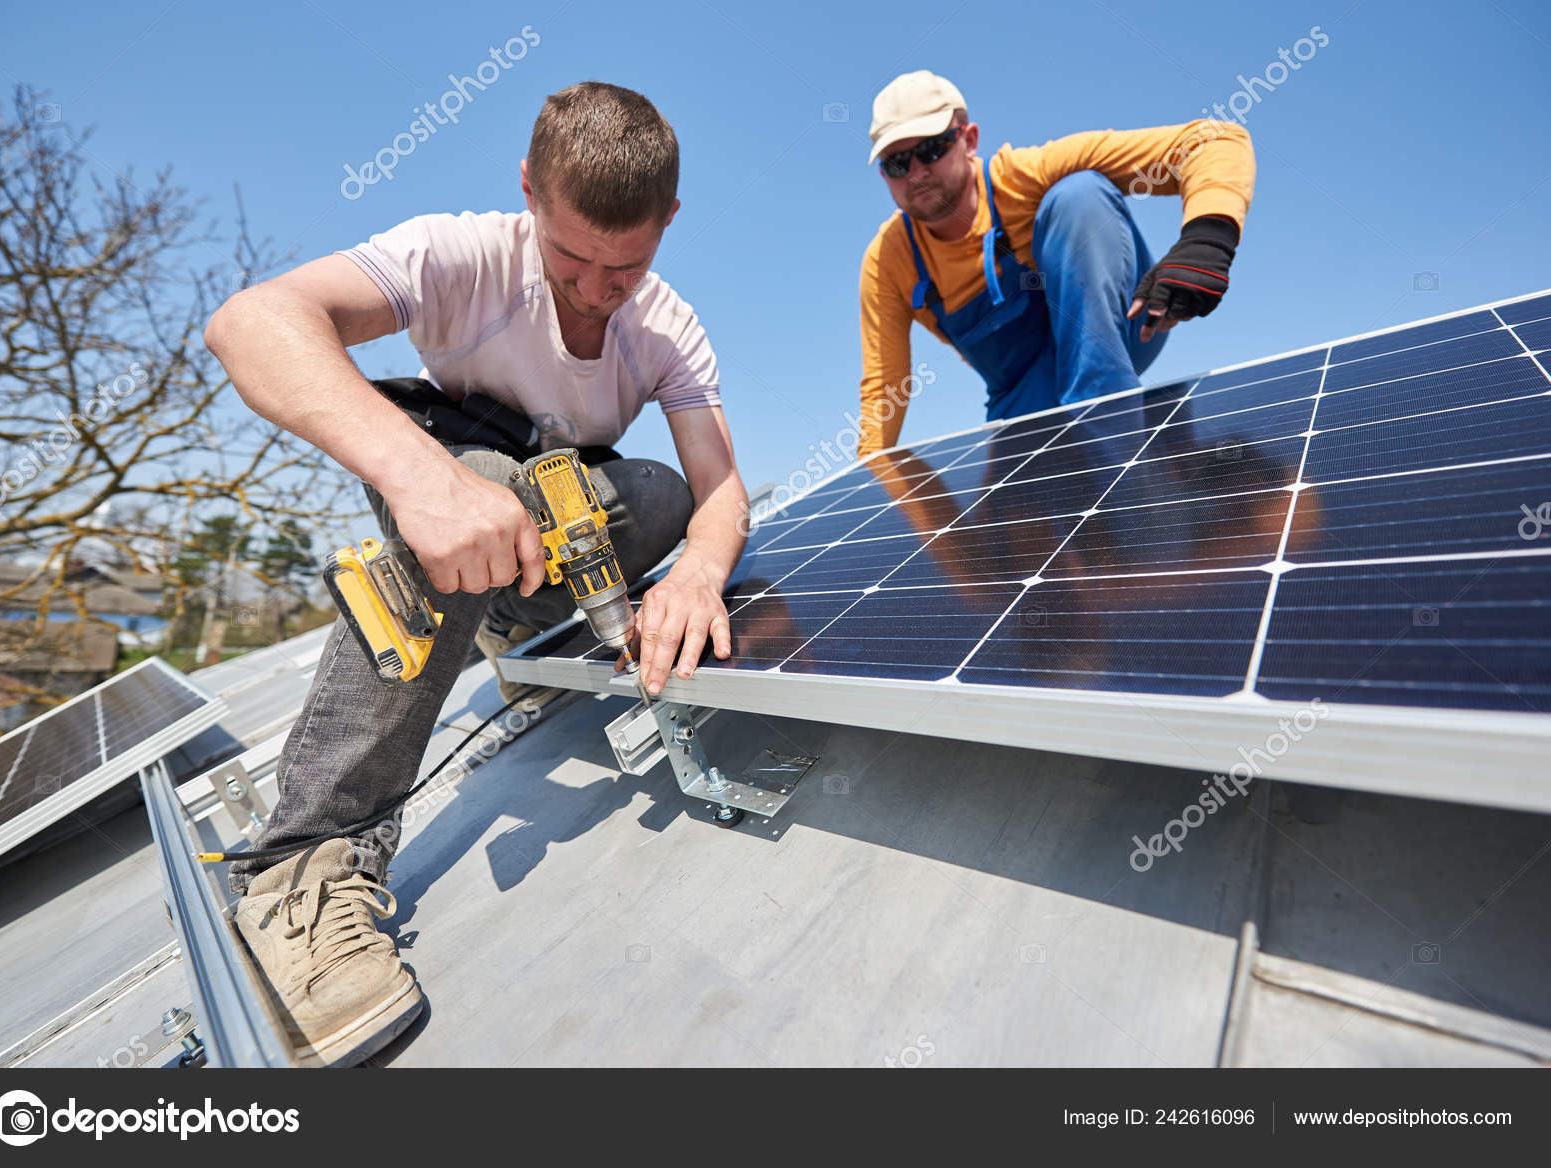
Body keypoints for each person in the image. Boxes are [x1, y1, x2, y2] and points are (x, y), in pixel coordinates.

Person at [203, 81, 749, 1066]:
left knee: (664, 494)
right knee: (487, 482)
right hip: (446, 470)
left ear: (669, 222)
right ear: (529, 193)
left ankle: (515, 618)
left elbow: (721, 492)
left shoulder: (668, 327)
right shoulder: (460, 253)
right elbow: (252, 322)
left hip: (560, 508)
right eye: (571, 257)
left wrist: (699, 573)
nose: (595, 290)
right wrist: (423, 480)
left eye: (624, 266)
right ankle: (300, 865)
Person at [856, 70, 1256, 456]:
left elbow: (1213, 140)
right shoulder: (889, 260)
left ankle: (1115, 440)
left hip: (1118, 330)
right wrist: (862, 493)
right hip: (1023, 395)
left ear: (969, 139)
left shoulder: (1023, 177)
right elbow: (883, 391)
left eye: (931, 149)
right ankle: (1152, 459)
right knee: (1014, 517)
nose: (917, 172)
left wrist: (1207, 237)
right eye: (896, 164)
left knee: (1078, 195)